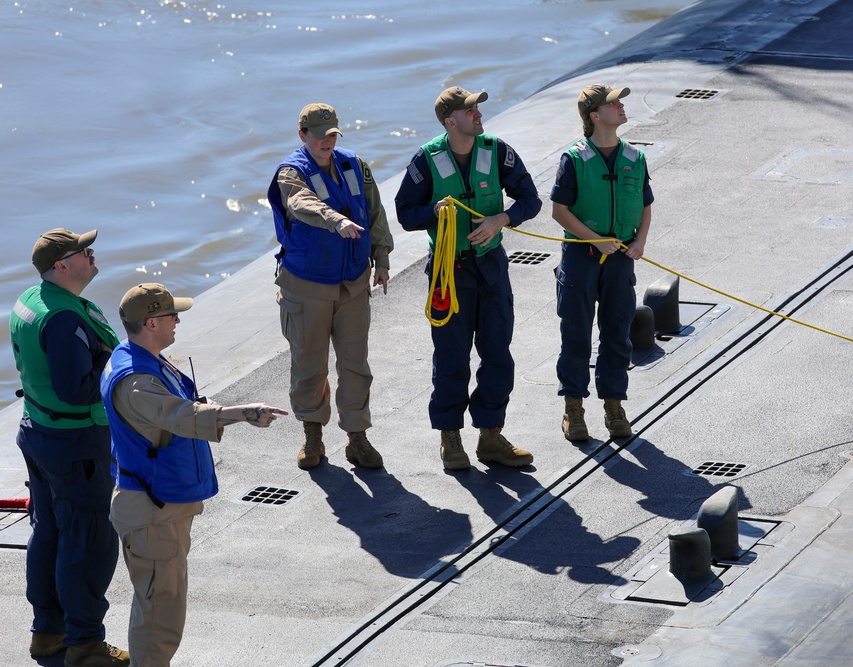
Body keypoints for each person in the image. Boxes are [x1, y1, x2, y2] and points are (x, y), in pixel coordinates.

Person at [100, 283, 287, 667]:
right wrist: (242, 412)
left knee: (161, 607)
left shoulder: (145, 357)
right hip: (152, 512)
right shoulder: (137, 380)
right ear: (151, 322)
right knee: (159, 616)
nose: (178, 321)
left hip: (162, 507)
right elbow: (180, 416)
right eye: (171, 315)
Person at [395, 86, 541, 470]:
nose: (478, 114)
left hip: (490, 266)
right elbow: (406, 213)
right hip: (449, 272)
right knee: (451, 356)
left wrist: (502, 219)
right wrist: (434, 211)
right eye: (470, 110)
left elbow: (531, 199)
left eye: (477, 109)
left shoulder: (497, 151)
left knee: (497, 352)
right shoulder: (426, 160)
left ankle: (490, 437)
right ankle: (450, 438)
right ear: (450, 120)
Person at [9, 228, 130, 666]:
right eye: (85, 251)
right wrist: (112, 359)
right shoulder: (62, 319)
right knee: (89, 542)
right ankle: (85, 645)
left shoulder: (32, 299)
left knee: (50, 532)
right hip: (75, 444)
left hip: (39, 432)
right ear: (62, 266)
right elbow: (76, 390)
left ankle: (48, 634)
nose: (92, 254)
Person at [267, 102, 393, 471]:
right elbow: (300, 202)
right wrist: (334, 219)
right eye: (320, 136)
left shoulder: (354, 164)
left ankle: (357, 438)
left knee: (355, 365)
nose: (327, 142)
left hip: (352, 283)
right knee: (309, 365)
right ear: (302, 134)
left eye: (333, 135)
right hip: (307, 286)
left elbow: (375, 212)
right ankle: (312, 435)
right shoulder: (291, 173)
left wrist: (382, 258)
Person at [550, 84, 654, 441]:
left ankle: (613, 406)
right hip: (582, 257)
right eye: (614, 103)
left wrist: (639, 241)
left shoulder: (634, 157)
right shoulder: (574, 159)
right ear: (595, 116)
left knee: (617, 335)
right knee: (576, 334)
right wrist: (595, 239)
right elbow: (559, 211)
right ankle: (573, 409)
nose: (622, 106)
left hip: (621, 258)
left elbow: (644, 204)